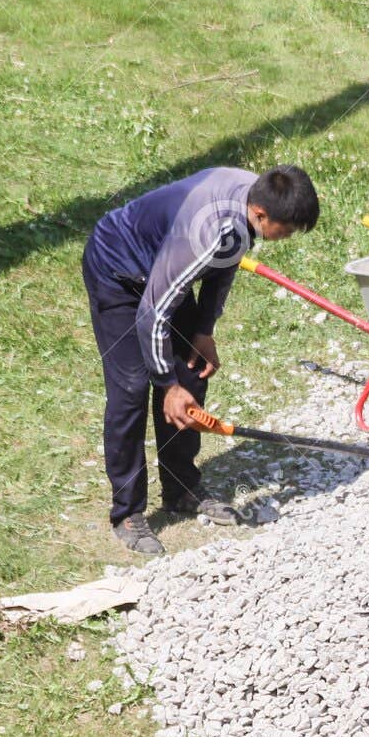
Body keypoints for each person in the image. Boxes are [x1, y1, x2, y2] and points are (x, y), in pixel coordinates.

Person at [81, 165, 319, 555]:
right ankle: (127, 512)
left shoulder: (248, 204)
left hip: (162, 267)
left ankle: (182, 490)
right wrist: (166, 385)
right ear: (261, 214)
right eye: (288, 229)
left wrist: (203, 330)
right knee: (131, 389)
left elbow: (223, 267)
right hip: (119, 269)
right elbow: (152, 313)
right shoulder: (208, 231)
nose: (288, 237)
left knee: (192, 375)